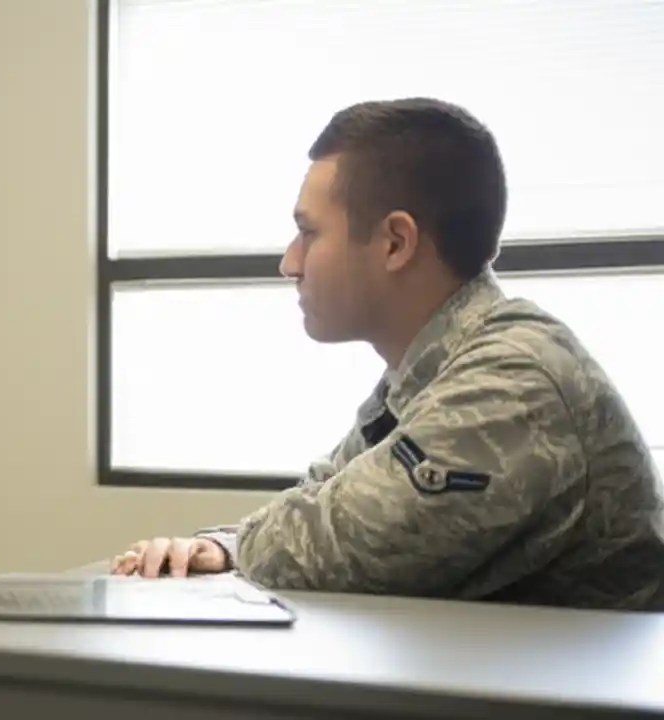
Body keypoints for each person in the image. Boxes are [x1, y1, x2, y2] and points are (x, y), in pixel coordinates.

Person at [110, 97, 664, 611]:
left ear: (396, 242)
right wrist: (222, 548)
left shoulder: (515, 380)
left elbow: (344, 542)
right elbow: (322, 497)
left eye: (308, 233)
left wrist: (238, 546)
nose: (289, 263)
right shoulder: (432, 370)